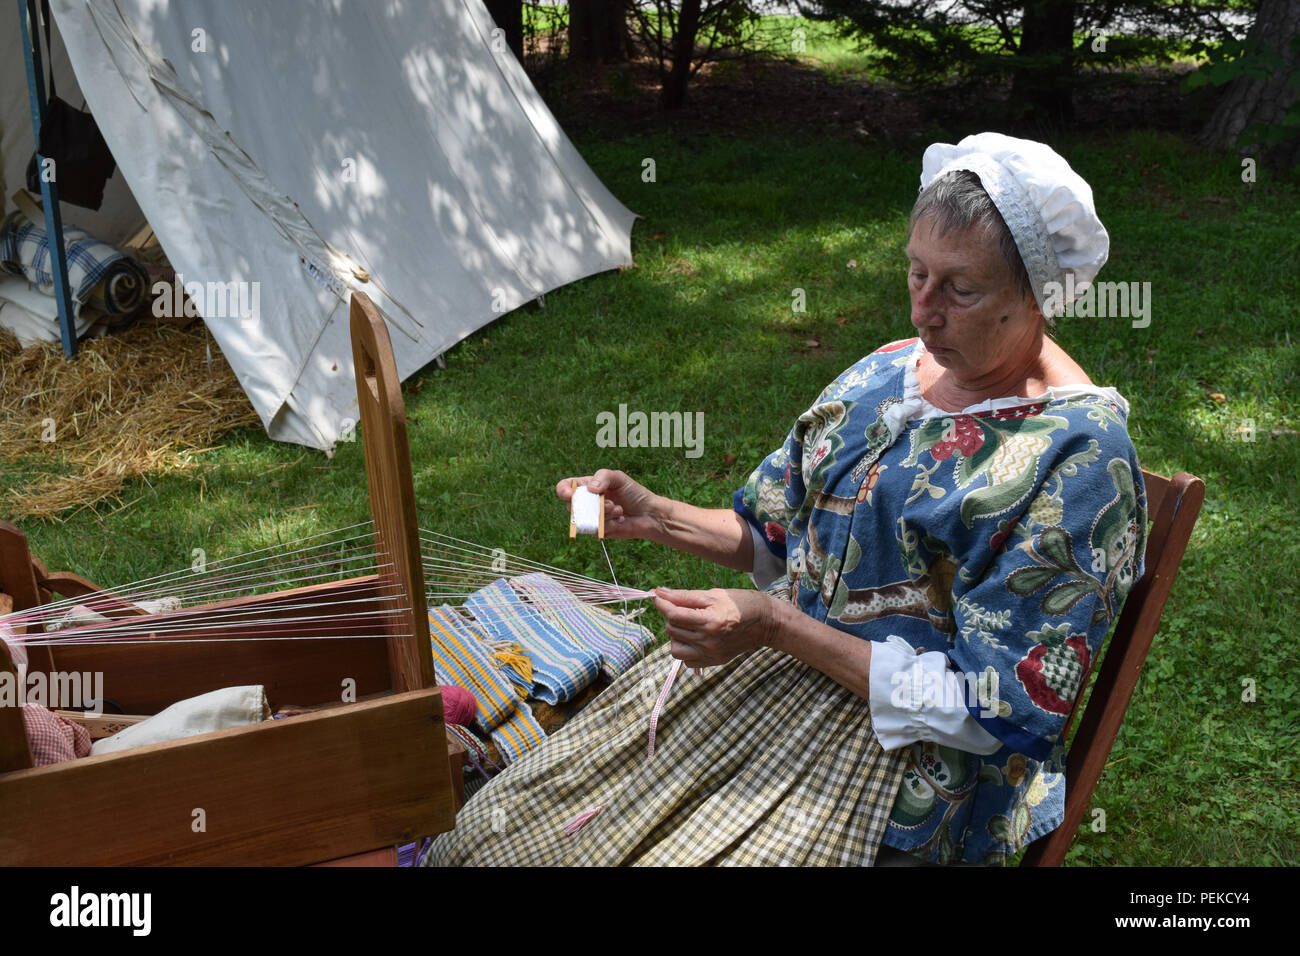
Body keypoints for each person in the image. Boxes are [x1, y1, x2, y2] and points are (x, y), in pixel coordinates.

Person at [423, 132, 1146, 866]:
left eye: (960, 290)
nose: (924, 312)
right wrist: (657, 516)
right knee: (497, 838)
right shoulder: (888, 373)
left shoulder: (1080, 460)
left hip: (911, 765)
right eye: (916, 272)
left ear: (1037, 295)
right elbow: (772, 534)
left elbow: (993, 711)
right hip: (774, 678)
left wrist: (775, 626)